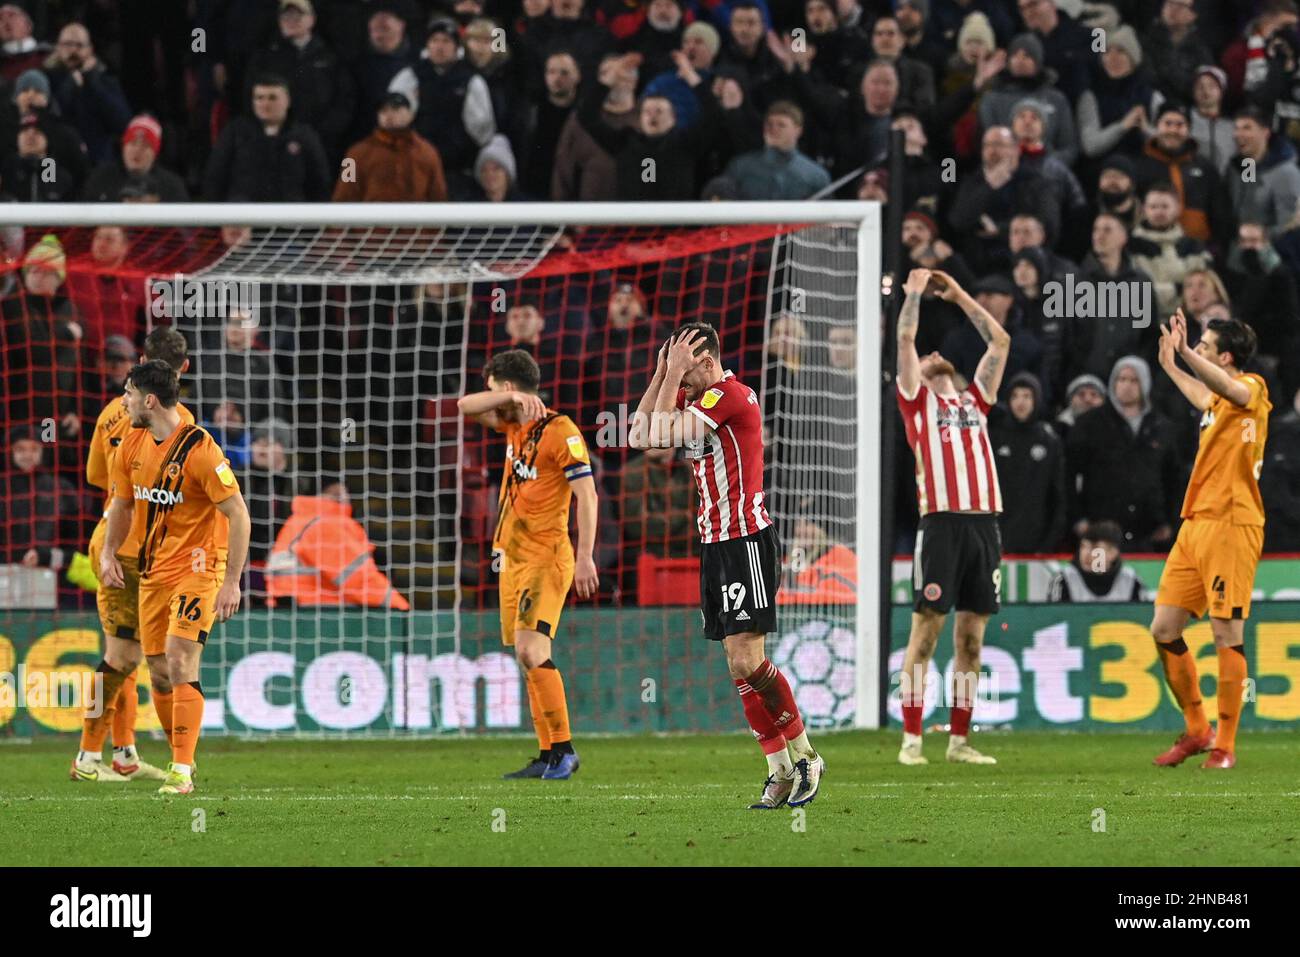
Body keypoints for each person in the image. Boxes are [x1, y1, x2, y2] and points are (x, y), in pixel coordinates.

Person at [630, 323, 824, 809]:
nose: (682, 381)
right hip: (714, 545)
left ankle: (805, 756)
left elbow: (667, 431)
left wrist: (672, 374)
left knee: (747, 660)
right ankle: (778, 771)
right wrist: (661, 374)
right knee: (737, 668)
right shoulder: (696, 400)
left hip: (746, 543)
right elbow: (639, 436)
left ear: (707, 360)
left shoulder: (730, 396)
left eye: (686, 367)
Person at [97, 360, 251, 796]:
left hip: (199, 569)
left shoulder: (201, 450)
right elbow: (123, 505)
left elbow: (238, 514)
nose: (122, 401)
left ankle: (180, 771)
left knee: (181, 659)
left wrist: (231, 581)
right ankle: (183, 756)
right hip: (152, 572)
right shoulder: (131, 445)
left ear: (149, 399)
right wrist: (109, 553)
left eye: (127, 394)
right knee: (160, 674)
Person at [458, 349, 599, 780]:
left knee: (531, 650)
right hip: (514, 560)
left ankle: (566, 750)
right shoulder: (514, 423)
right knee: (526, 655)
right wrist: (513, 402)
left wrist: (586, 555)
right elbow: (464, 407)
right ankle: (547, 752)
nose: (488, 395)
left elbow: (587, 496)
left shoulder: (562, 430)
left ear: (503, 385)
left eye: (492, 387)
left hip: (546, 556)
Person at [894, 268, 1008, 767]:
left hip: (985, 526)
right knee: (926, 632)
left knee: (971, 641)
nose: (932, 355)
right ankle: (912, 739)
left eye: (939, 356)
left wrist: (959, 293)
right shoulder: (916, 403)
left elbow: (999, 340)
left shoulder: (976, 401)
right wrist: (916, 292)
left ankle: (959, 740)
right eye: (925, 357)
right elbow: (904, 335)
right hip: (940, 525)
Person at [71, 328, 194, 784]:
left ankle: (124, 753)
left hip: (130, 547)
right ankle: (92, 757)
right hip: (130, 552)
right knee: (130, 658)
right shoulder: (181, 422)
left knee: (133, 659)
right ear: (184, 368)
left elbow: (96, 478)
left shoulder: (109, 415)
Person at [1150, 310, 1271, 770]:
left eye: (1203, 346)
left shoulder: (1253, 389)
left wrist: (1182, 354)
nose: (1197, 349)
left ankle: (1226, 745)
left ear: (1225, 356)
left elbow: (1228, 388)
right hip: (1195, 523)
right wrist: (1173, 366)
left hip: (1233, 523)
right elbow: (1206, 395)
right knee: (1164, 629)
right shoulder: (1220, 405)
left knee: (1226, 633)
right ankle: (1198, 729)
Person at [265, 477, 410, 610]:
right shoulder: (327, 523)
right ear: (336, 492)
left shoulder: (298, 521)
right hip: (322, 614)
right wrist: (401, 608)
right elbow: (359, 579)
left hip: (290, 612)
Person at [202, 73, 331, 202]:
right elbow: (215, 179)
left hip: (292, 216)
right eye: (259, 98)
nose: (265, 104)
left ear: (288, 101)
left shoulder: (305, 136)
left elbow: (320, 184)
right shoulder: (234, 133)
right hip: (242, 216)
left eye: (272, 98)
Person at [989, 371, 1064, 553]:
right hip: (997, 540)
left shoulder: (1049, 440)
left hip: (1037, 543)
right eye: (1015, 396)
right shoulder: (994, 437)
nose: (1020, 402)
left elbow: (1058, 496)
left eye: (1027, 396)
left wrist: (1048, 545)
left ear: (1036, 400)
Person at [331, 91, 447, 202]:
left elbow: (438, 195)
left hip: (415, 221)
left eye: (396, 109)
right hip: (372, 221)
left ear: (411, 115)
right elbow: (344, 195)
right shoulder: (355, 154)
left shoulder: (427, 152)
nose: (389, 115)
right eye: (384, 110)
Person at [81, 114, 190, 203]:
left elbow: (186, 228)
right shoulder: (100, 178)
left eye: (146, 145)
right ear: (124, 146)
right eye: (133, 143)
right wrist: (100, 229)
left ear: (155, 153)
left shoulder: (171, 186)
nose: (137, 150)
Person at [1046, 519, 1147, 602]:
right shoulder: (1063, 580)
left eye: (1095, 548)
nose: (1086, 554)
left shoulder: (1131, 581)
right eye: (1083, 546)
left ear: (1113, 553)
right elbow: (1054, 620)